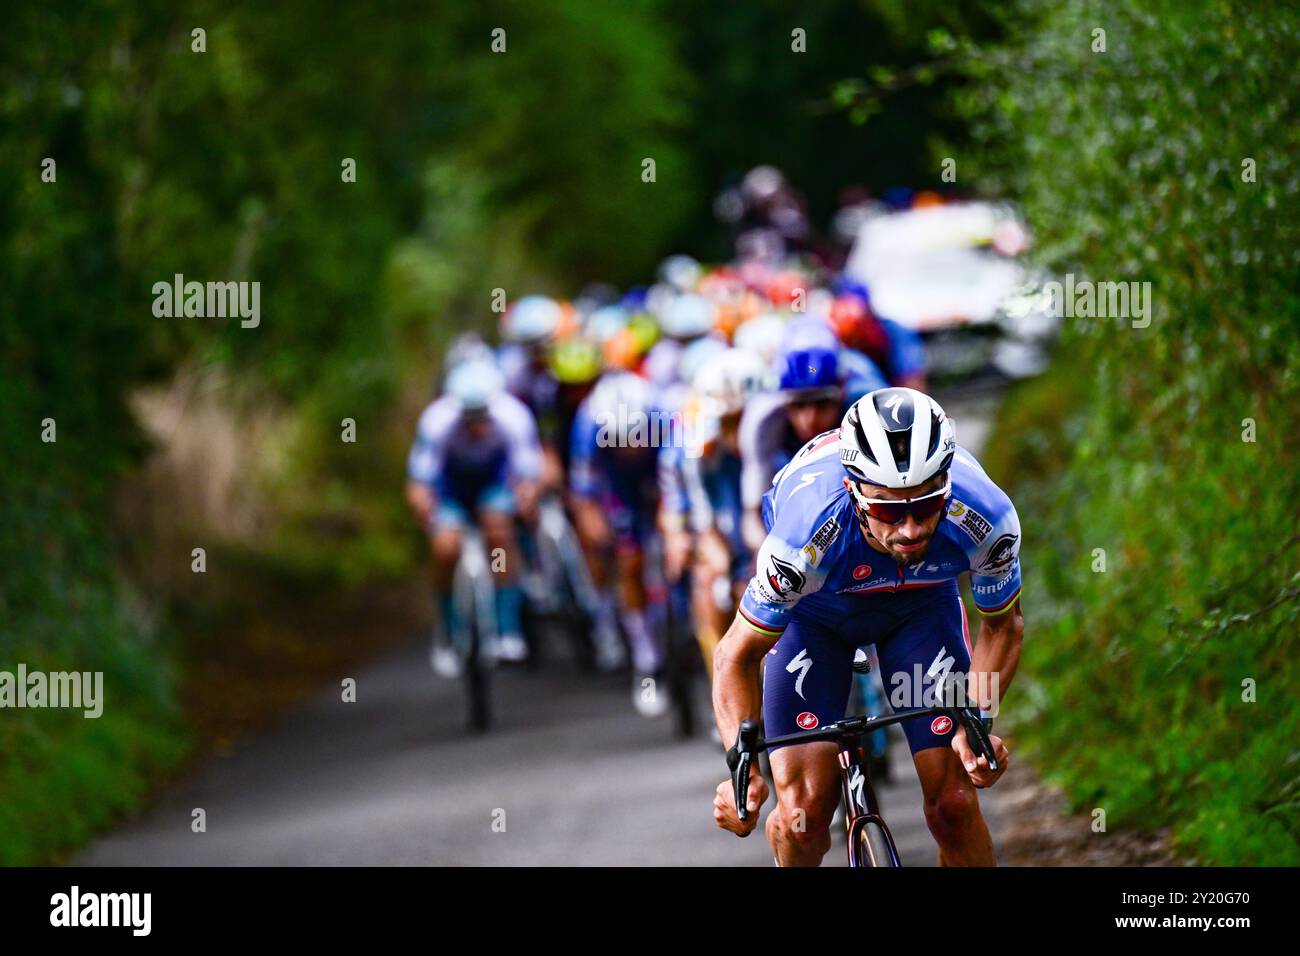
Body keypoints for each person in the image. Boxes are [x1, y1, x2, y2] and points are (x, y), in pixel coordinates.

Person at [710, 387, 1023, 866]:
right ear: (854, 493)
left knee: (955, 805)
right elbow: (736, 654)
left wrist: (976, 719)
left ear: (946, 485)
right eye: (887, 511)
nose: (911, 529)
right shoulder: (804, 537)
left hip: (919, 608)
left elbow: (1002, 627)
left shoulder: (986, 516)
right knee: (802, 815)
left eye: (927, 506)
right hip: (814, 616)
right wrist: (741, 767)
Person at [405, 357, 542, 676]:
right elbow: (419, 482)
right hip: (451, 490)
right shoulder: (437, 422)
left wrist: (526, 497)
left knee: (498, 536)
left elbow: (529, 474)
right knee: (445, 548)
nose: (477, 424)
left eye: (482, 415)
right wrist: (423, 506)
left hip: (493, 486)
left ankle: (507, 628)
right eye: (470, 416)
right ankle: (450, 629)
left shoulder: (512, 416)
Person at [569, 371, 671, 715]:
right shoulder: (587, 423)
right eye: (619, 440)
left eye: (637, 438)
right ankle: (645, 654)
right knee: (629, 561)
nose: (630, 447)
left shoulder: (661, 412)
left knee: (674, 539)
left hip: (658, 474)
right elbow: (584, 497)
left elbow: (682, 479)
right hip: (616, 487)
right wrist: (596, 527)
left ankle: (679, 614)